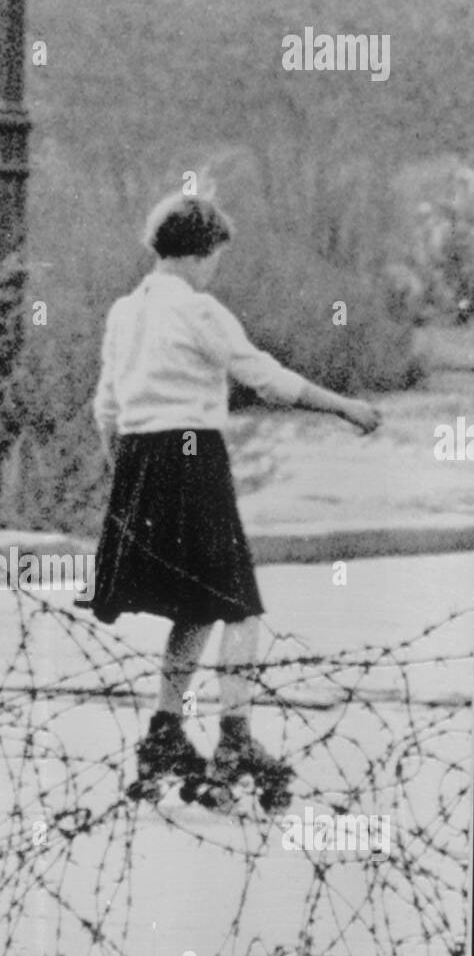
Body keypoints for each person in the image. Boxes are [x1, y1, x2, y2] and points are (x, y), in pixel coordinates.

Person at [89, 190, 381, 797]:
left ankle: (166, 728)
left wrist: (125, 475)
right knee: (239, 604)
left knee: (193, 605)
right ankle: (235, 735)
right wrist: (344, 407)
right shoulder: (201, 311)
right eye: (216, 255)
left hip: (139, 460)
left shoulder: (124, 312)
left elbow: (106, 408)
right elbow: (266, 378)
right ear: (201, 253)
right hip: (194, 457)